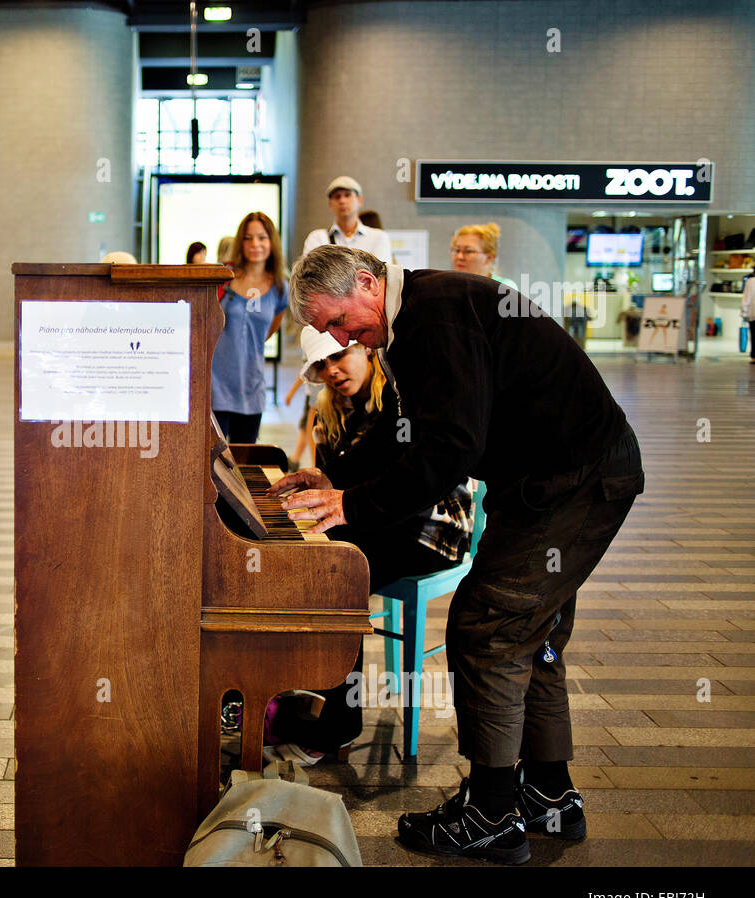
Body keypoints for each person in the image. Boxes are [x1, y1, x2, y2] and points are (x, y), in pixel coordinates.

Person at [275, 245, 643, 864]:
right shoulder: (415, 315)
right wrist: (335, 483)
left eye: (337, 323)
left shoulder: (434, 317)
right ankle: (549, 795)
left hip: (574, 481)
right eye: (324, 333)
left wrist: (354, 508)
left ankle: (493, 813)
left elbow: (450, 445)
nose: (338, 339)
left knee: (488, 629)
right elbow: (407, 434)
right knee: (532, 634)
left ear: (367, 283)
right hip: (559, 478)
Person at [267, 327, 474, 764]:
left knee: (339, 574)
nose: (332, 371)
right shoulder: (332, 410)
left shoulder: (399, 395)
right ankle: (305, 695)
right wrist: (319, 485)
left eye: (340, 356)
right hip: (382, 519)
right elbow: (346, 484)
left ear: (365, 347)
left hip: (433, 527)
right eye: (322, 365)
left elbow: (397, 480)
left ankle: (336, 724)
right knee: (315, 560)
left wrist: (333, 492)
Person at [211, 212, 289, 443]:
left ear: (271, 242)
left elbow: (269, 330)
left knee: (244, 463)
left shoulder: (279, 287)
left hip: (251, 388)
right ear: (240, 242)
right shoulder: (224, 276)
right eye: (248, 238)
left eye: (262, 238)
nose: (255, 244)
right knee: (212, 463)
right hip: (215, 388)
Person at [302, 176, 393, 263]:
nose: (342, 201)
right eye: (337, 196)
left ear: (359, 200)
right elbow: (311, 275)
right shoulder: (318, 238)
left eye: (347, 195)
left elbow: (381, 276)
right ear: (330, 204)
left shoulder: (378, 237)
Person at [450, 222, 516, 288]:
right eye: (456, 250)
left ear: (489, 258)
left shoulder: (504, 287)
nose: (459, 256)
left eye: (468, 251)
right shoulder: (447, 285)